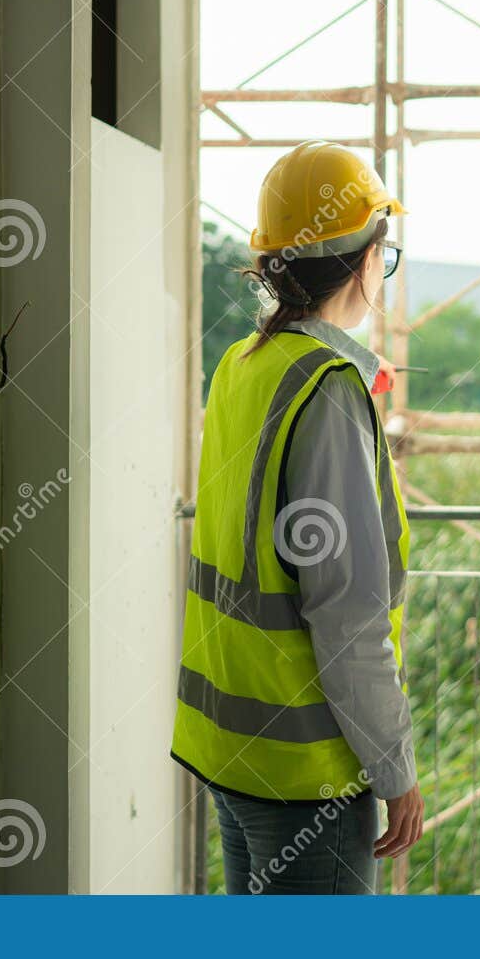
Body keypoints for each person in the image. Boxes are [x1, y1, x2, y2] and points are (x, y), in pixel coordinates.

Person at [171, 141, 424, 894]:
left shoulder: (243, 366)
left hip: (229, 751)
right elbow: (346, 614)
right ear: (367, 260)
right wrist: (396, 766)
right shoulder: (328, 390)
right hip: (302, 773)